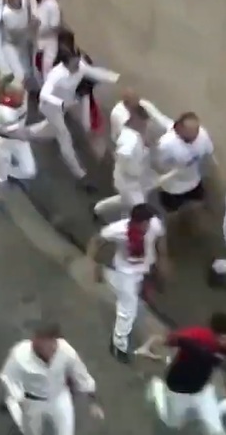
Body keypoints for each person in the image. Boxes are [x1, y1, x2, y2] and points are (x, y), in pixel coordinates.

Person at [86, 203, 168, 362]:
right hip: (125, 273)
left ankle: (106, 273)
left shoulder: (154, 224)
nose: (148, 226)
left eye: (149, 222)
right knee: (128, 309)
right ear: (136, 222)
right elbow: (97, 240)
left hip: (144, 268)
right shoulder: (118, 230)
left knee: (137, 298)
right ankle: (118, 344)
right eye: (145, 223)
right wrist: (90, 262)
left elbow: (160, 239)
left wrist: (162, 259)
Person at [28, 52, 120, 183]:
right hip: (52, 108)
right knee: (64, 136)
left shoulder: (79, 70)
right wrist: (62, 103)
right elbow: (45, 95)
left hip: (64, 105)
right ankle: (79, 173)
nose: (80, 65)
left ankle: (31, 133)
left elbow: (94, 74)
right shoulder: (57, 75)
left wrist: (115, 78)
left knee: (53, 129)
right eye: (76, 63)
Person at [0, 322, 102, 435]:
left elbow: (82, 376)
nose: (50, 347)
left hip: (59, 397)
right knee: (31, 432)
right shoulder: (19, 354)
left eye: (52, 341)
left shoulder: (66, 351)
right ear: (35, 340)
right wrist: (19, 399)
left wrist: (93, 402)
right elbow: (8, 379)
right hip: (32, 401)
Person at [143, 312, 226, 433]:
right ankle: (157, 388)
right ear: (219, 336)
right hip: (178, 390)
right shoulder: (197, 337)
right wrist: (148, 346)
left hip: (202, 391)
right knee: (172, 423)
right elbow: (167, 339)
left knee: (216, 431)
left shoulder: (222, 348)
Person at [92, 103, 169, 222]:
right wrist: (134, 170)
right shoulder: (129, 139)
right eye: (143, 123)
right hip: (129, 181)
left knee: (125, 200)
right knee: (138, 208)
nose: (145, 125)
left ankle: (98, 208)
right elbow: (122, 154)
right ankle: (125, 223)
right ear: (135, 120)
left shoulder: (138, 133)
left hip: (139, 179)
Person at [0, 74, 37, 198]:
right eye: (20, 96)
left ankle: (9, 172)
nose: (23, 98)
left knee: (29, 171)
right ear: (11, 97)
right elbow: (17, 133)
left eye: (23, 94)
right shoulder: (5, 113)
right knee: (0, 175)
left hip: (19, 141)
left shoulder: (21, 98)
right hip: (3, 142)